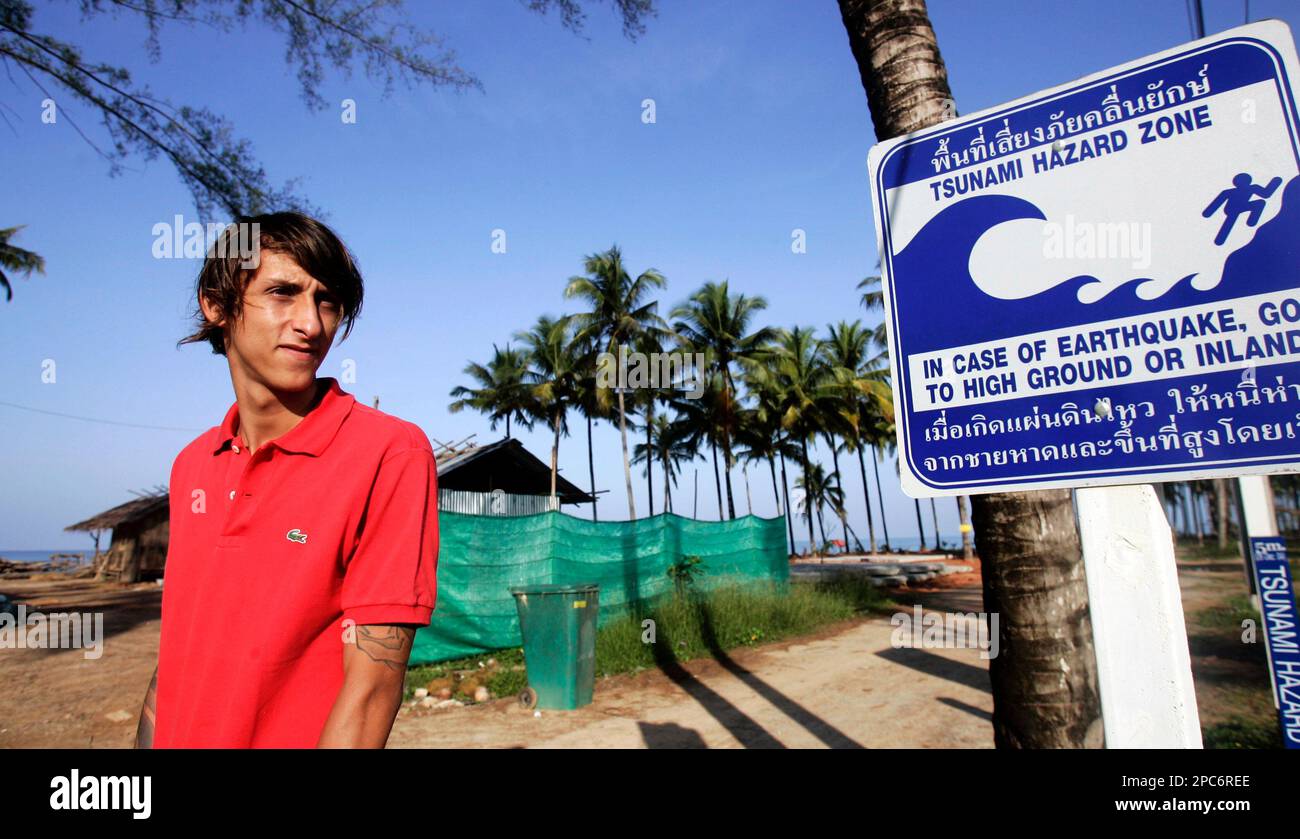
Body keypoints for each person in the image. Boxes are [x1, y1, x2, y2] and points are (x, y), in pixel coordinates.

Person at [134, 211, 439, 748]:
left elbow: (373, 682)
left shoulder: (388, 453)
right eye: (283, 292)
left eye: (327, 300)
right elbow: (177, 656)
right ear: (216, 305)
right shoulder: (192, 465)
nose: (312, 323)